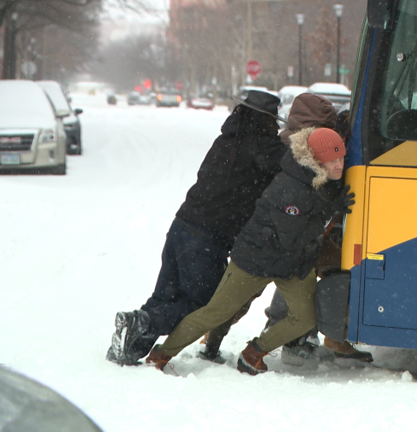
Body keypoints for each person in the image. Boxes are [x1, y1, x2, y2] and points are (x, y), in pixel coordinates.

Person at [145, 127, 354, 375]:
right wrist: (329, 211)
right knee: (215, 313)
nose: (339, 166)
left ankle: (253, 353)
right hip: (256, 258)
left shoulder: (325, 180)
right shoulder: (291, 187)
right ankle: (160, 355)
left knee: (305, 318)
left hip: (293, 262)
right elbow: (292, 235)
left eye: (341, 158)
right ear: (317, 161)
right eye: (332, 161)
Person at [106, 90, 286, 366]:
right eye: (274, 122)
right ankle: (142, 322)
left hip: (181, 226)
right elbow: (290, 166)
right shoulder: (262, 146)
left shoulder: (226, 139)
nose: (276, 128)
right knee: (202, 304)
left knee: (165, 295)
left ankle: (128, 346)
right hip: (206, 239)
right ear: (266, 121)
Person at [196, 92, 340, 362]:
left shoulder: (279, 144)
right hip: (277, 238)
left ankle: (213, 342)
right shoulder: (297, 154)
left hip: (260, 233)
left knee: (242, 297)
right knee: (293, 281)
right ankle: (284, 335)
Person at [263, 107, 373, 366]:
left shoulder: (317, 150)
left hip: (311, 232)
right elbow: (310, 207)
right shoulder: (316, 156)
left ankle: (324, 335)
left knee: (327, 268)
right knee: (310, 269)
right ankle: (292, 336)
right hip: (301, 235)